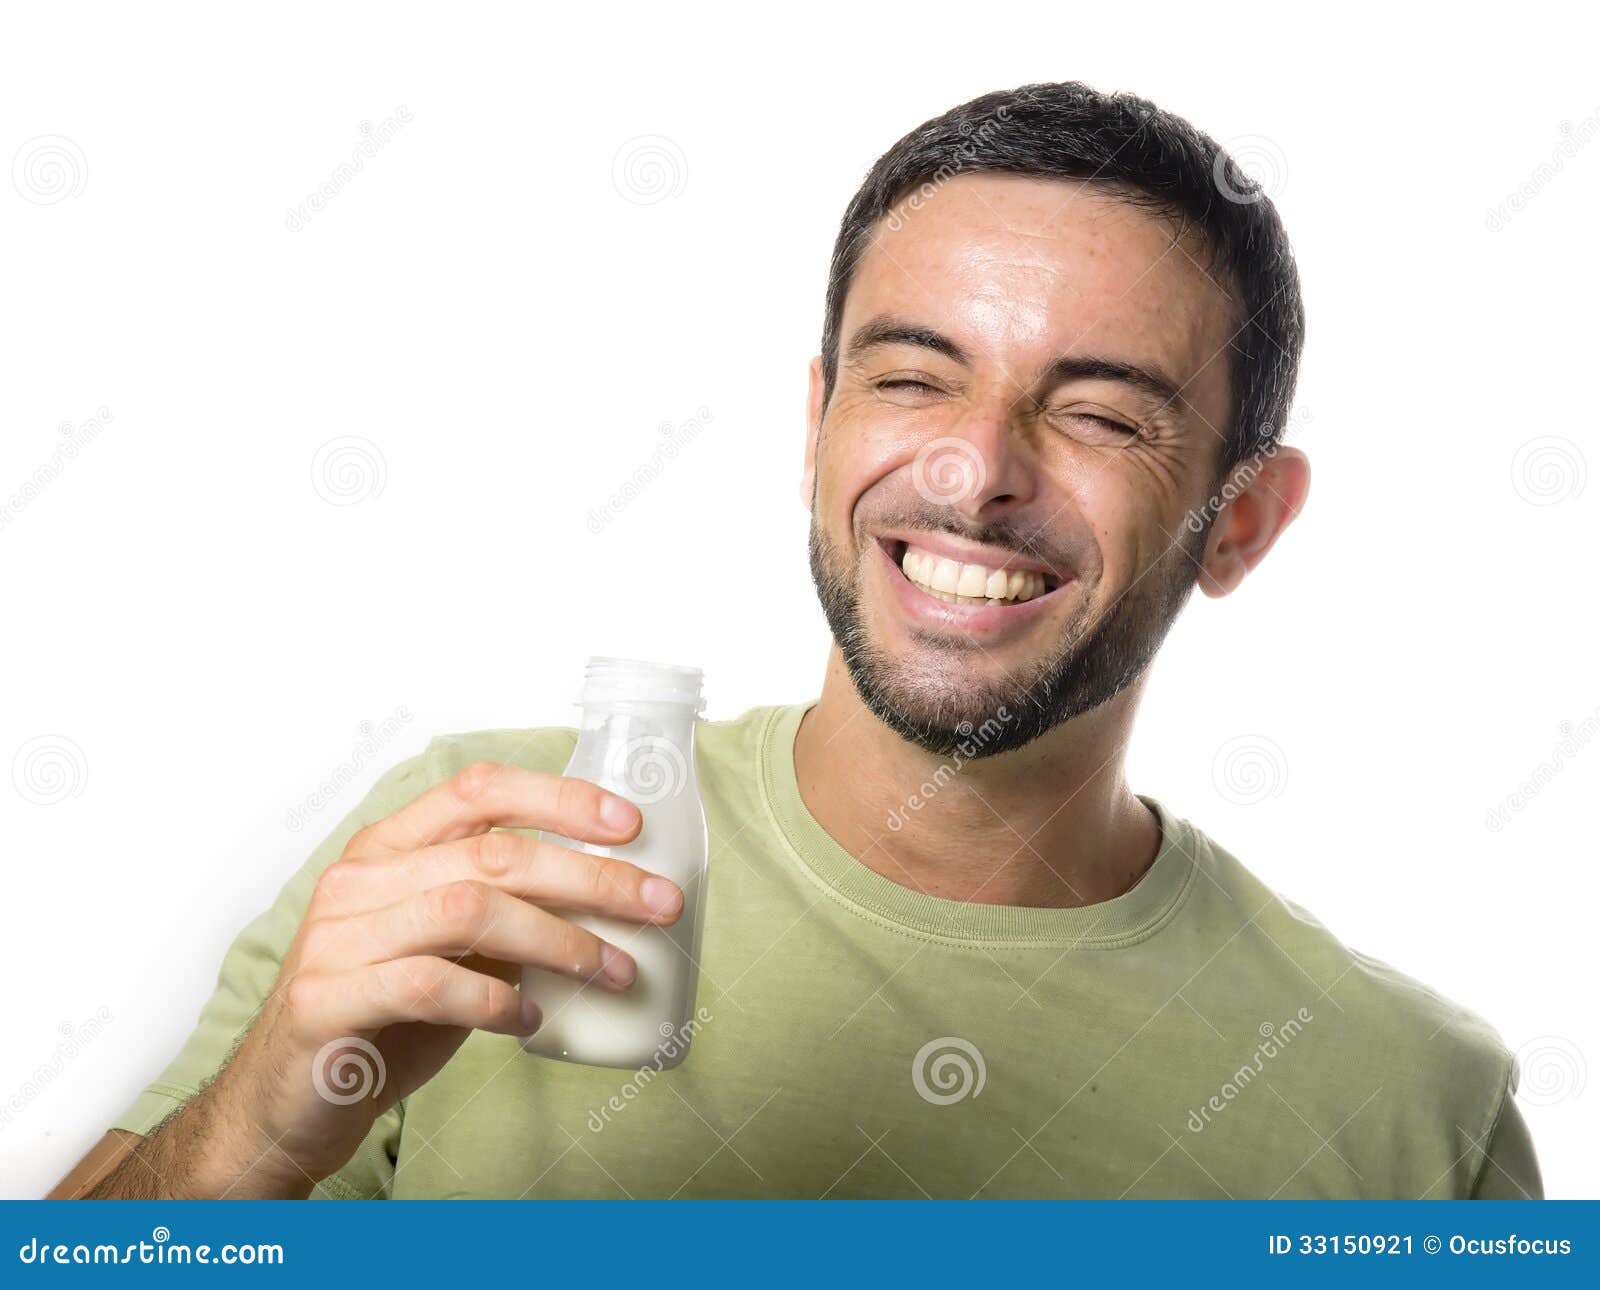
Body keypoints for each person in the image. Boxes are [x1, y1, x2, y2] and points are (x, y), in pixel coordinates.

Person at [53, 80, 1540, 1200]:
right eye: (912, 377)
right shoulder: (473, 851)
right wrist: (249, 1129)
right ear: (817, 422)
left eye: (1096, 412)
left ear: (1241, 522)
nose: (974, 473)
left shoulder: (1416, 1108)